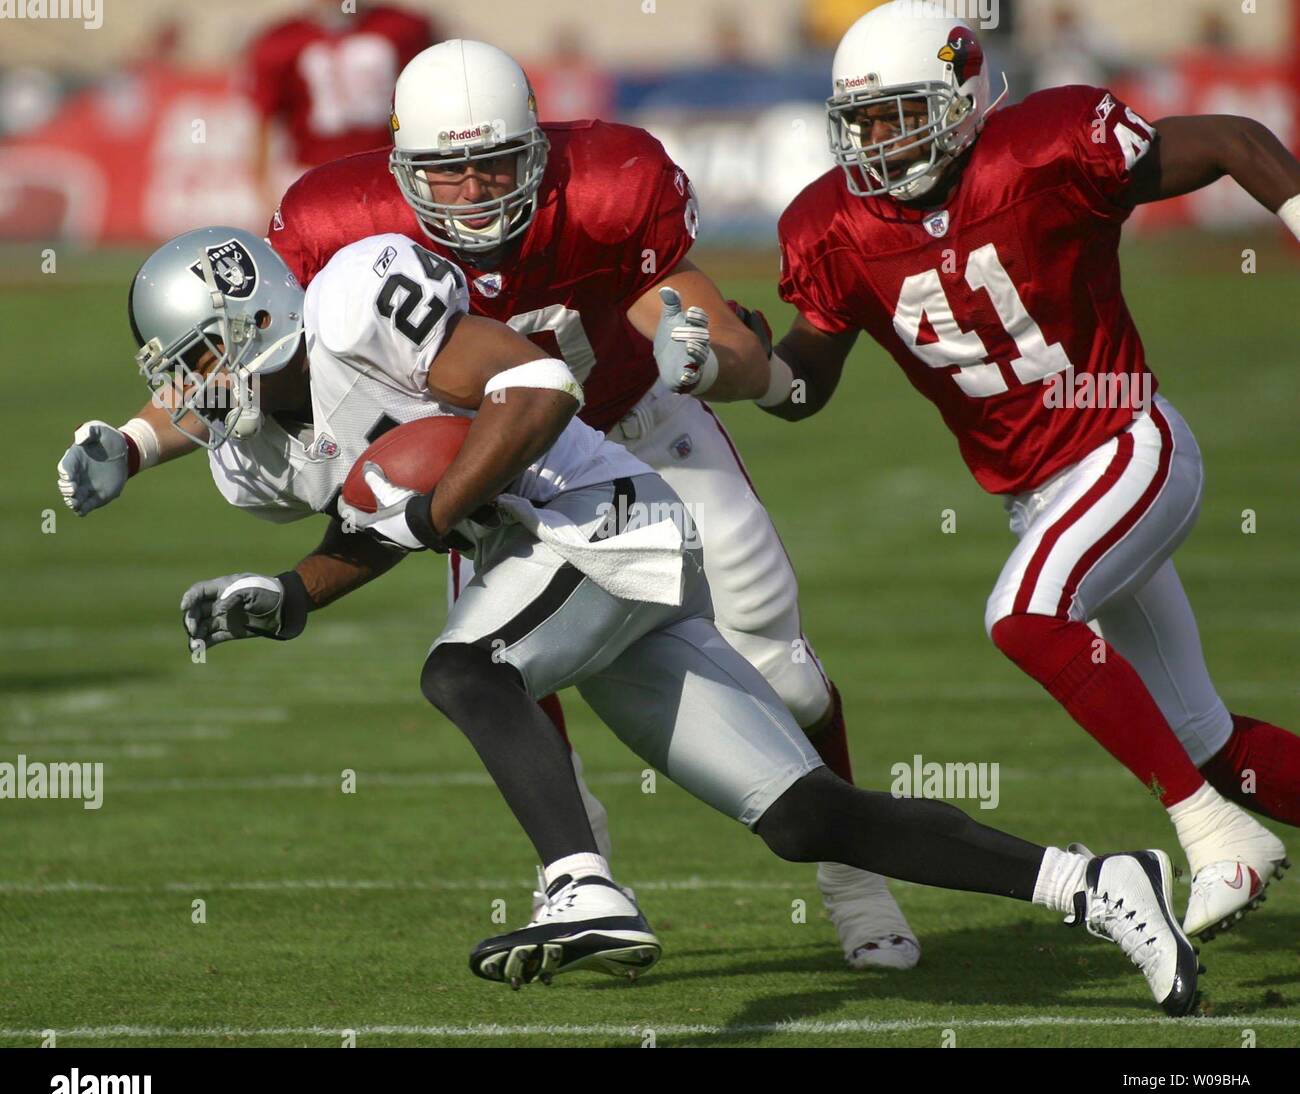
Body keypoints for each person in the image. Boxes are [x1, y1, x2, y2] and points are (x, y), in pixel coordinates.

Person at [58, 225, 1201, 1014]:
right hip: (550, 562)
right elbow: (376, 520)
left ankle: (581, 883)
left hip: (599, 515)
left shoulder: (362, 306)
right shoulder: (251, 461)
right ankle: (1093, 883)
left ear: (256, 323)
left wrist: (437, 511)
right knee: (804, 815)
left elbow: (537, 393)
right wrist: (288, 596)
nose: (184, 387)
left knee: (462, 670)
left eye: (198, 356)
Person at [270, 38, 921, 969]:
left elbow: (690, 312)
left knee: (785, 676)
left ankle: (857, 883)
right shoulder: (338, 215)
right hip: (493, 458)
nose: (473, 192)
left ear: (536, 149)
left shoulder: (610, 183)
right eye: (445, 173)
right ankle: (581, 884)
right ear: (401, 166)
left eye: (494, 162)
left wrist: (711, 351)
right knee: (502, 676)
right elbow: (259, 351)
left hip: (636, 421)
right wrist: (140, 441)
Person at [755, 1, 1298, 937]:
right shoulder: (833, 226)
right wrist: (747, 370)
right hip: (1043, 494)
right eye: (864, 121)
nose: (880, 142)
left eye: (901, 114)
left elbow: (1234, 139)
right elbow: (807, 386)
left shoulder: (1045, 149)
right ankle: (1217, 806)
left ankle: (1216, 840)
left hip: (1126, 440)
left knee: (1024, 616)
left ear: (963, 99)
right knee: (1206, 743)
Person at [245, 0, 434, 211]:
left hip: (391, 168)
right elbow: (262, 122)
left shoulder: (404, 27)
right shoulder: (281, 40)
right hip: (313, 176)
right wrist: (265, 189)